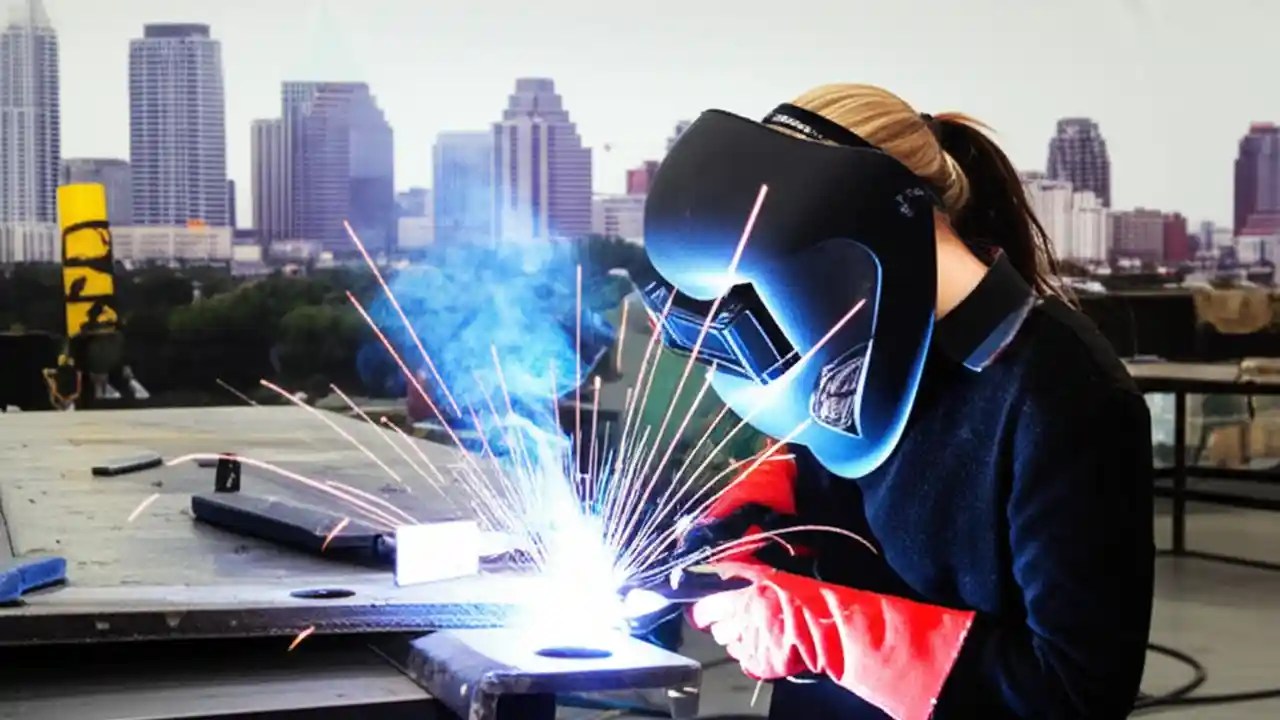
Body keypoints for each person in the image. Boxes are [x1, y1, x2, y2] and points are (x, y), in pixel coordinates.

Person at [635, 84, 1155, 719]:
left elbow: (1074, 693)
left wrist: (828, 633)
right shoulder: (871, 345)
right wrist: (762, 510)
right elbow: (845, 482)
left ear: (865, 228)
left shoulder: (1066, 396)